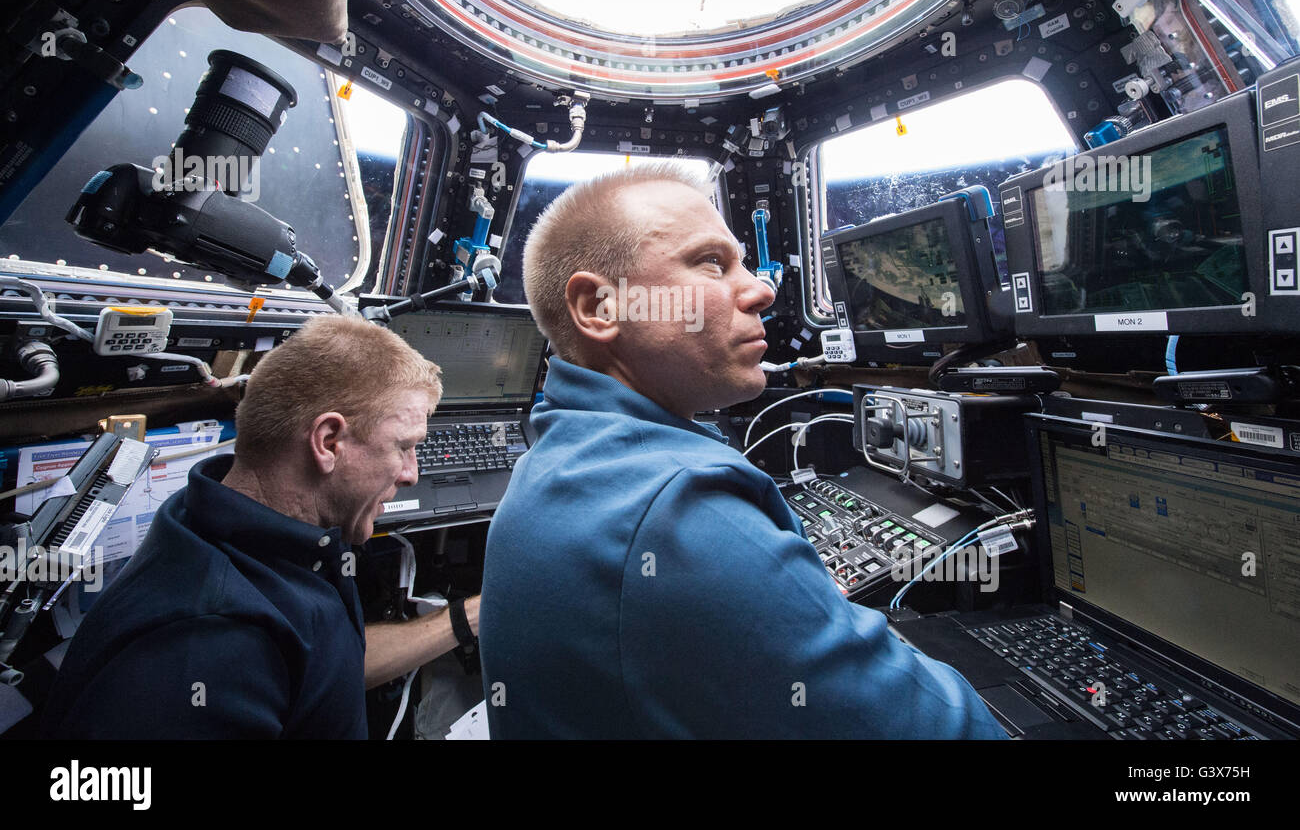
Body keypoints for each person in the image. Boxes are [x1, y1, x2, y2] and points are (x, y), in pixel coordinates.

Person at [479, 161, 1004, 738]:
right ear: (600, 307)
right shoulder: (676, 514)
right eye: (711, 262)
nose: (761, 289)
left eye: (744, 262)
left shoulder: (561, 455)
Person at [43, 315, 480, 738]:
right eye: (404, 447)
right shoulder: (207, 644)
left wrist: (465, 618)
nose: (411, 474)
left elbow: (324, 667)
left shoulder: (240, 522)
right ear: (328, 442)